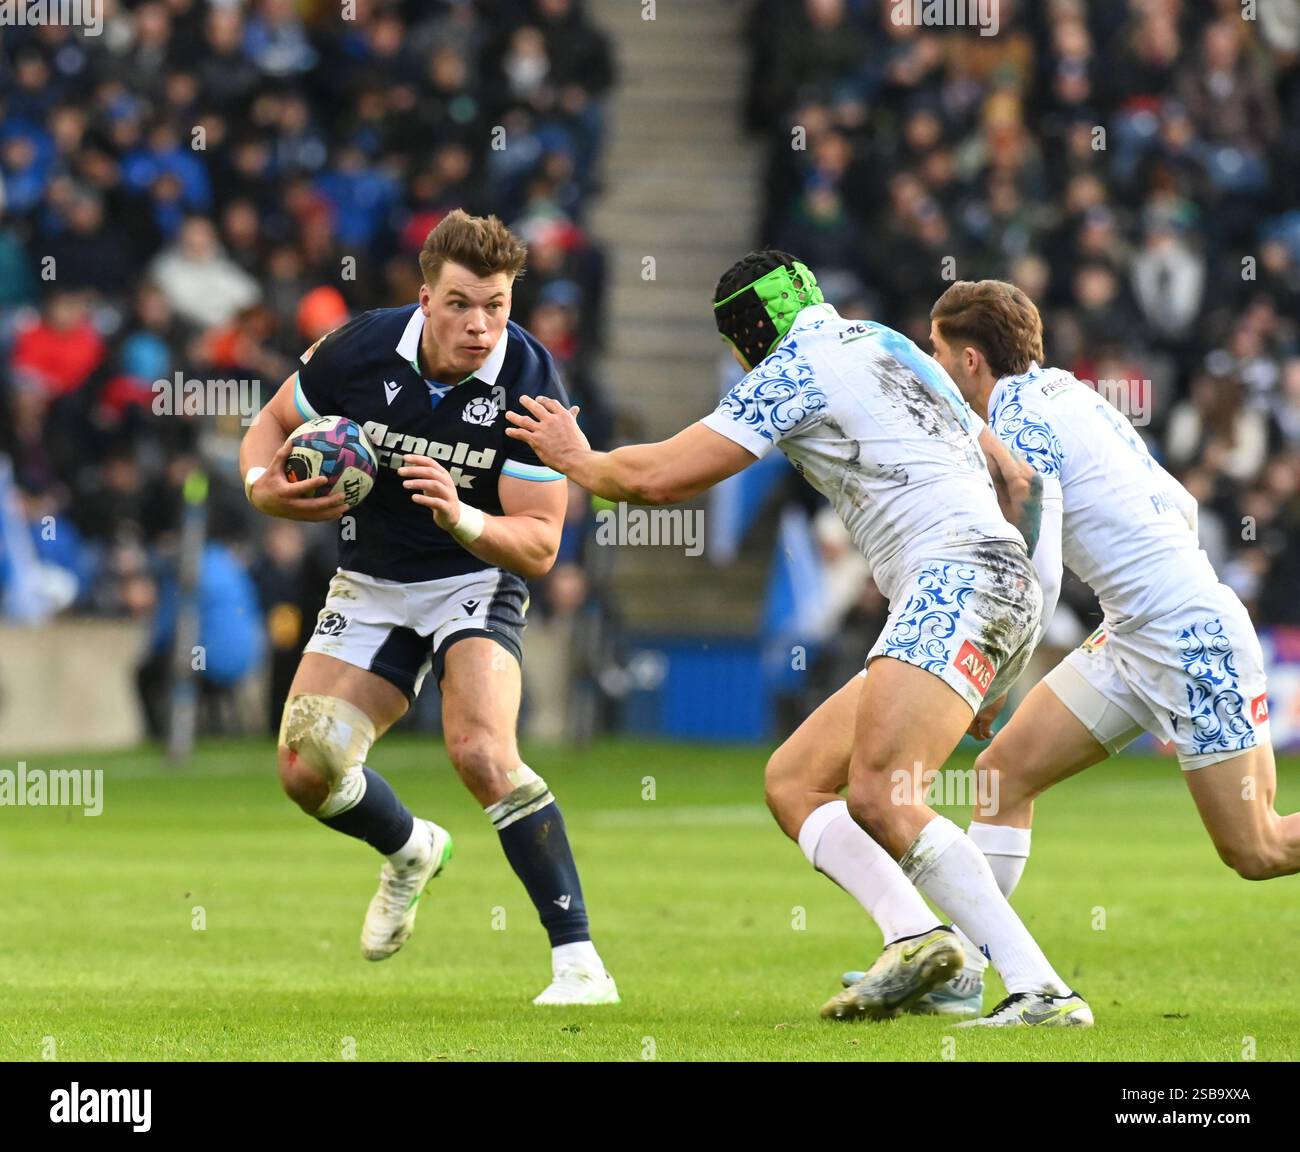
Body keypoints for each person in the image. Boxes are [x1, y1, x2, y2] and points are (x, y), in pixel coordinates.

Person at [506, 249, 1092, 1026]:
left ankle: (1041, 989)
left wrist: (577, 458)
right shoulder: (889, 342)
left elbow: (658, 479)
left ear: (746, 334)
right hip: (998, 580)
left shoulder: (792, 369)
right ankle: (917, 943)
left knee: (882, 794)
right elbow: (1019, 481)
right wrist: (1012, 643)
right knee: (796, 780)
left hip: (953, 580)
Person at [238, 209, 617, 1006]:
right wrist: (260, 486)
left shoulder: (531, 381)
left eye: (496, 306)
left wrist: (461, 517)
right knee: (306, 770)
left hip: (474, 574)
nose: (480, 326)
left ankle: (579, 962)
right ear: (424, 300)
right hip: (372, 580)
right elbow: (272, 423)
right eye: (460, 305)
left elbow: (540, 544)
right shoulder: (359, 348)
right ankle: (411, 847)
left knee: (482, 753)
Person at [927, 279, 1299, 911]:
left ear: (969, 360)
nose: (930, 366)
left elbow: (1042, 576)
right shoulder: (1069, 391)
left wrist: (995, 681)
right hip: (1134, 630)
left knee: (1257, 847)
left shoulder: (1019, 424)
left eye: (935, 351)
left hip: (1188, 637)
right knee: (1000, 777)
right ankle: (970, 958)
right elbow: (1180, 502)